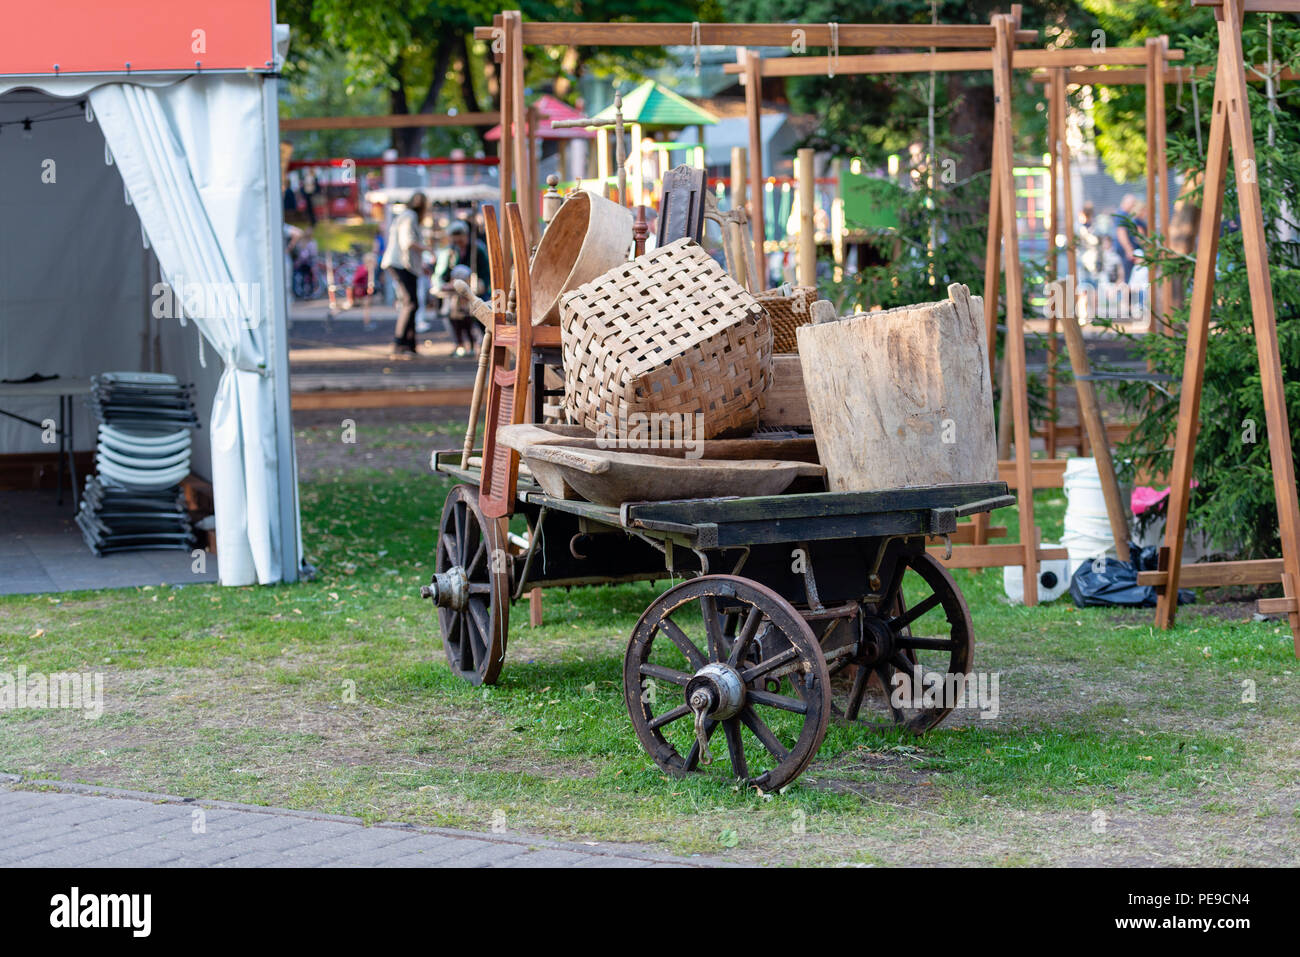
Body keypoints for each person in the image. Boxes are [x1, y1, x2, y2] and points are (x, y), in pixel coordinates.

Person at [431, 219, 491, 357]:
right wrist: (442, 285)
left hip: (475, 291)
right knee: (454, 314)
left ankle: (482, 342)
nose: (459, 243)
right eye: (456, 240)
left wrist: (481, 284)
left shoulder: (478, 249)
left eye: (461, 239)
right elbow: (440, 275)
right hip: (455, 294)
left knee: (478, 311)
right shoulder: (449, 252)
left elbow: (486, 274)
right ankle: (460, 344)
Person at [380, 192, 429, 358]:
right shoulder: (410, 216)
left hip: (401, 264)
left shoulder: (405, 215)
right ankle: (399, 342)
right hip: (402, 264)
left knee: (411, 302)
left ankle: (409, 344)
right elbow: (407, 241)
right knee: (410, 303)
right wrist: (427, 249)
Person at [1114, 194, 1145, 283]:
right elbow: (1121, 232)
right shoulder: (1122, 215)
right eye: (1132, 203)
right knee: (1128, 278)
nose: (1133, 206)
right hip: (1127, 252)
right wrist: (1128, 249)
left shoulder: (1127, 215)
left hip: (1129, 251)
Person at [1076, 202, 1103, 287]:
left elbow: (1099, 245)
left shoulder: (1096, 229)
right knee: (1083, 287)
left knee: (1094, 286)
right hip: (1081, 263)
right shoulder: (1077, 228)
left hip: (1093, 263)